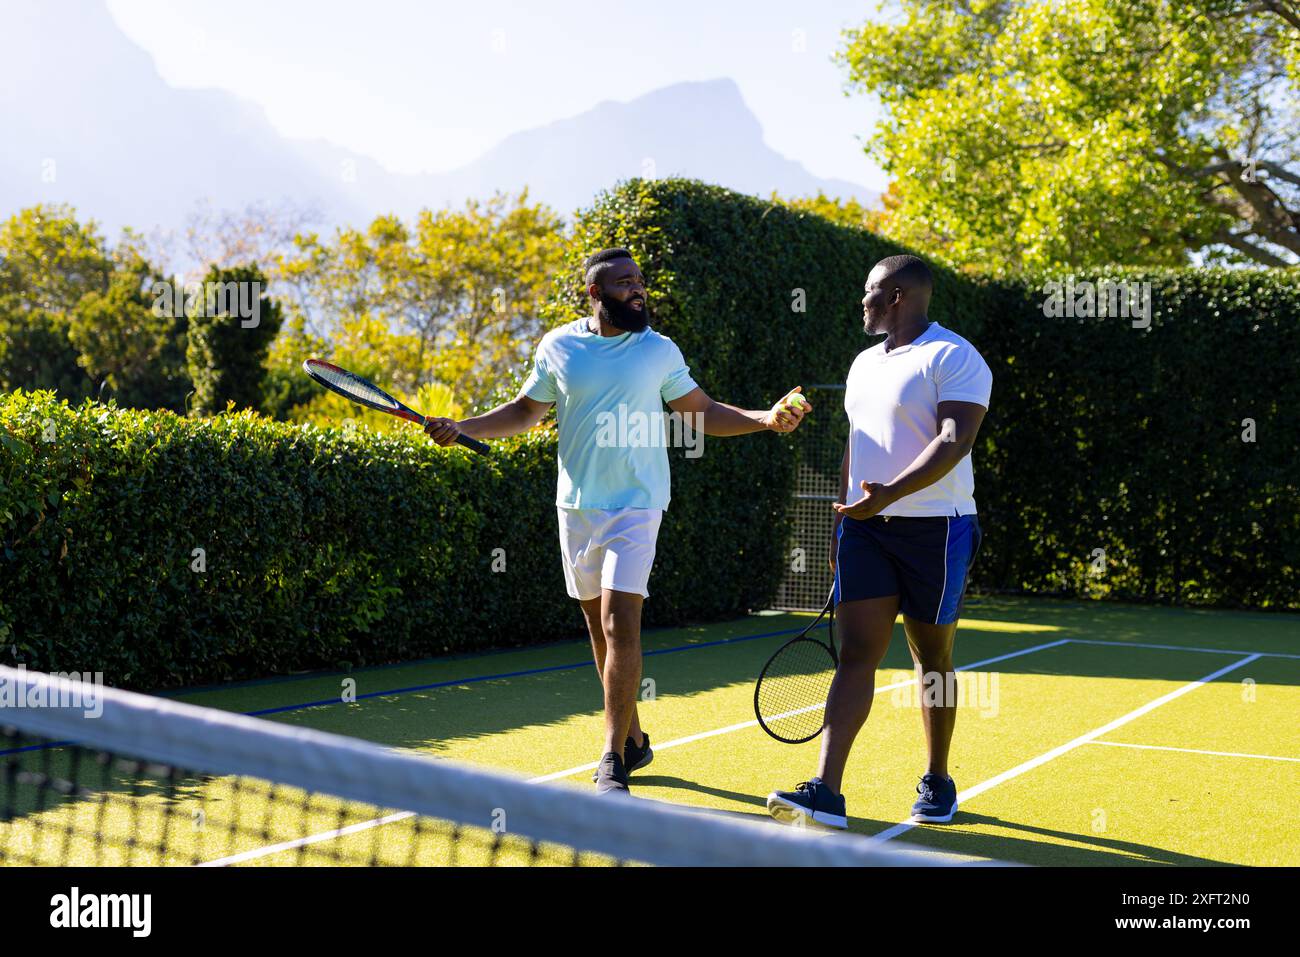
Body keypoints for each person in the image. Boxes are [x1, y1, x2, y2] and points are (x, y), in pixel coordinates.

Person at [425, 247, 809, 794]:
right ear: (595, 293)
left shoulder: (659, 350)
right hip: (575, 506)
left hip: (638, 502)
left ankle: (611, 758)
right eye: (624, 282)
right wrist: (462, 426)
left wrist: (765, 420)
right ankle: (634, 739)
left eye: (640, 281)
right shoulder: (558, 346)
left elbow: (701, 411)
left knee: (618, 624)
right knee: (597, 631)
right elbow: (524, 412)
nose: (638, 290)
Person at [767, 254, 991, 829]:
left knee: (932, 658)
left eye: (869, 292)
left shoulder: (954, 356)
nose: (860, 301)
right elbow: (858, 440)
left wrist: (888, 493)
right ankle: (826, 790)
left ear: (896, 297)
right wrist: (847, 515)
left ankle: (938, 779)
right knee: (857, 655)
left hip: (937, 529)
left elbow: (955, 439)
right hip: (866, 527)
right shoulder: (864, 362)